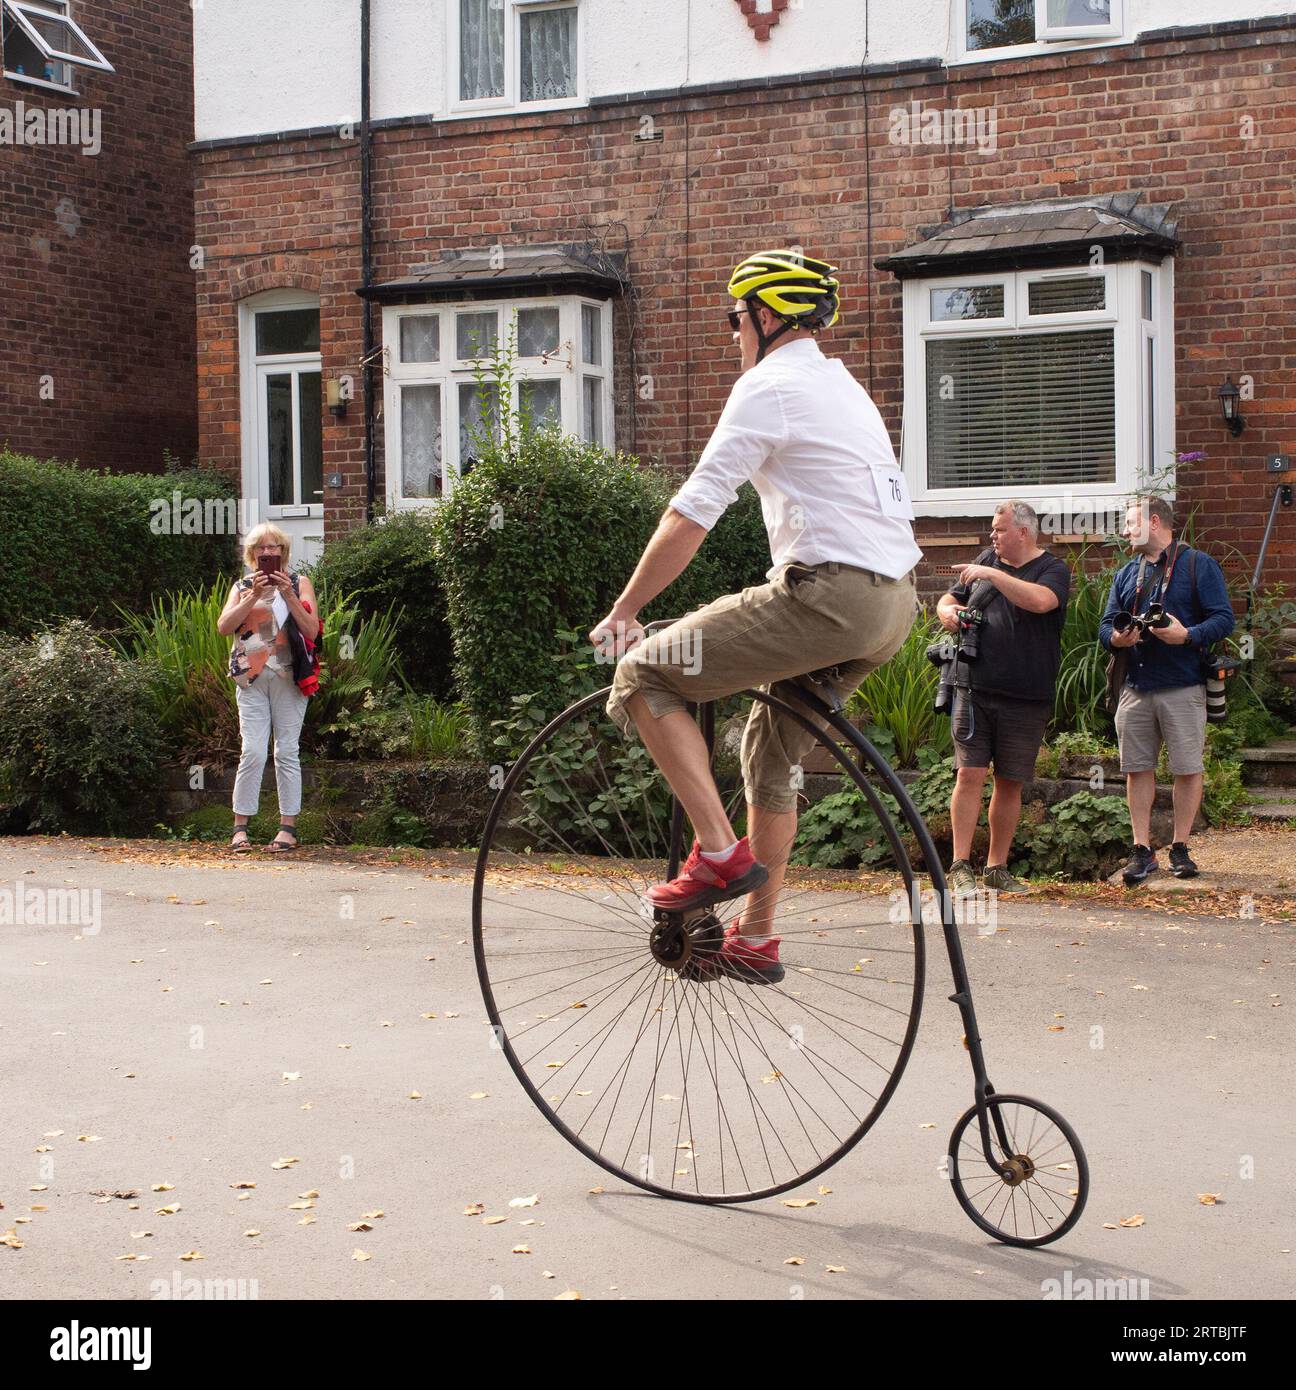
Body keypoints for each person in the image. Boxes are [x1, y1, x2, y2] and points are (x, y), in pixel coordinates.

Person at [589, 249, 921, 985]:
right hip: (894, 606)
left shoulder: (767, 386)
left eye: (735, 318)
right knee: (770, 758)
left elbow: (692, 512)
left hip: (830, 599)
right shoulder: (842, 386)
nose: (734, 332)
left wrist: (626, 610)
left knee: (643, 673)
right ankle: (758, 936)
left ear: (766, 316)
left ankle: (717, 854)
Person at [936, 501, 1070, 896]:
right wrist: (948, 613)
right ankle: (960, 865)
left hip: (1027, 695)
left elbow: (1041, 601)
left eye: (999, 529)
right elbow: (948, 599)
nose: (992, 536)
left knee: (1010, 782)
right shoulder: (984, 560)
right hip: (972, 687)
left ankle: (996, 867)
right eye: (992, 530)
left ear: (1023, 532)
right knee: (969, 773)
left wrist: (993, 573)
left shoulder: (1052, 569)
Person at [1099, 497, 1235, 884]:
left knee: (1187, 768)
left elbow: (1224, 619)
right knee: (1136, 769)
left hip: (1183, 684)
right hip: (1136, 685)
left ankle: (1180, 847)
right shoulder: (1127, 573)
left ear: (1154, 522)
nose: (1125, 531)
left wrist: (1186, 635)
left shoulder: (1197, 564)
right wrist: (1118, 639)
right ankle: (1142, 850)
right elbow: (1105, 627)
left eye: (1130, 523)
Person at [217, 523, 321, 853]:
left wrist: (288, 595)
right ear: (252, 554)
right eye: (260, 548)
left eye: (273, 546)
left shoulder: (299, 583)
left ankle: (288, 828)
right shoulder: (242, 586)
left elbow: (312, 630)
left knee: (286, 751)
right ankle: (240, 828)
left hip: (289, 676)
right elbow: (224, 626)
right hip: (250, 677)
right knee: (252, 750)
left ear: (283, 552)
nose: (267, 552)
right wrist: (251, 597)